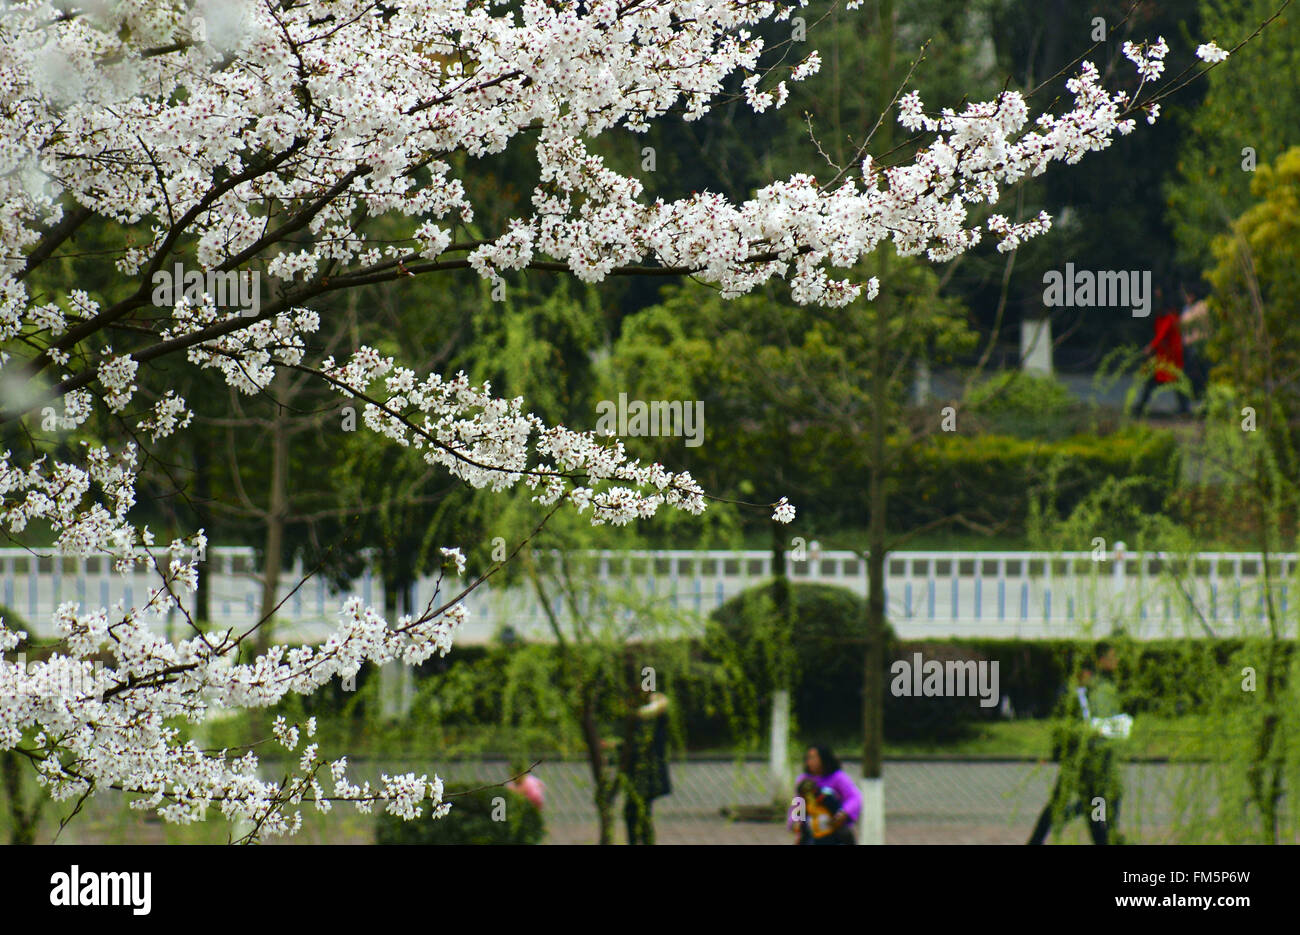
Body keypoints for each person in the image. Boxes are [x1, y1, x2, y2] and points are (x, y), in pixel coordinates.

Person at [1028, 643, 1127, 845]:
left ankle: (1103, 840)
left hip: (1092, 762)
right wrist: (1089, 732)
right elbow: (1065, 725)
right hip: (1076, 762)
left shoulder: (1095, 690)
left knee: (1095, 805)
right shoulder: (1073, 694)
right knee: (1061, 803)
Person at [1132, 288, 1190, 417]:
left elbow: (1161, 335)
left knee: (1159, 381)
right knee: (1170, 382)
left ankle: (1141, 407)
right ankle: (1184, 409)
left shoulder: (1169, 317)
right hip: (1167, 356)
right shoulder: (1168, 316)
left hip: (1169, 357)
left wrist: (1150, 348)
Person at [623, 692, 671, 845]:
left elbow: (648, 679)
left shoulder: (651, 719)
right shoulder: (645, 719)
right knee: (638, 813)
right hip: (641, 772)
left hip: (646, 773)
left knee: (636, 813)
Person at [788, 745, 860, 844]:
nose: (810, 762)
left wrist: (844, 812)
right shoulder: (804, 780)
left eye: (814, 758)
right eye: (808, 758)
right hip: (811, 829)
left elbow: (854, 798)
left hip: (834, 828)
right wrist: (795, 822)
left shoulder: (838, 778)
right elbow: (798, 803)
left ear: (824, 759)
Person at [793, 778, 851, 845]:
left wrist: (835, 821)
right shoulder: (805, 806)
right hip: (814, 838)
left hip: (830, 837)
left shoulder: (827, 799)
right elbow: (801, 827)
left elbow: (839, 817)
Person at [1179, 285, 1210, 404]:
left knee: (1199, 376)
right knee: (1190, 375)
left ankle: (1202, 402)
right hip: (1189, 346)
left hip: (1198, 346)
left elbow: (1187, 322)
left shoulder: (1201, 307)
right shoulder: (1188, 308)